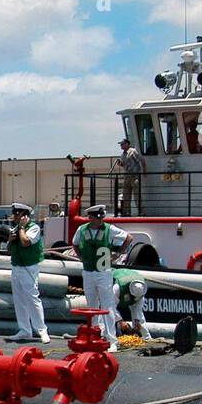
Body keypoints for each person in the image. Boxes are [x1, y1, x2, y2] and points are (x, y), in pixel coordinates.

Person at [71, 203, 130, 350]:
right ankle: (94, 335)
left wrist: (118, 253)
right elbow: (75, 244)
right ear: (90, 218)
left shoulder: (109, 229)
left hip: (103, 272)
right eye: (97, 218)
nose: (100, 220)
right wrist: (81, 257)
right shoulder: (82, 230)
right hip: (88, 271)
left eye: (101, 217)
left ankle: (112, 340)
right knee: (91, 305)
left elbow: (128, 237)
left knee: (107, 305)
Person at [5, 202, 48, 344]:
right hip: (16, 267)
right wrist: (10, 241)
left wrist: (22, 228)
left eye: (17, 213)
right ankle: (24, 329)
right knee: (19, 300)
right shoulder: (16, 229)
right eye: (14, 213)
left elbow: (25, 242)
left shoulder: (33, 228)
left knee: (33, 298)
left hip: (29, 268)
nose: (15, 216)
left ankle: (41, 330)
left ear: (24, 215)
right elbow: (9, 250)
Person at [112, 267, 148, 337]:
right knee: (107, 315)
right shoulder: (117, 288)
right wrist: (120, 320)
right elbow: (110, 306)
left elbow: (137, 309)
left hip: (128, 277)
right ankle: (107, 337)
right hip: (111, 282)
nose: (134, 298)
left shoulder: (141, 288)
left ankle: (146, 337)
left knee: (140, 318)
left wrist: (137, 321)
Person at [114, 137, 144, 215]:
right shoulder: (123, 154)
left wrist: (144, 171)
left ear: (127, 144)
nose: (121, 146)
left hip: (134, 176)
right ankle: (126, 212)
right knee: (126, 195)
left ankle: (141, 212)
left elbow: (141, 160)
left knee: (137, 195)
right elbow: (124, 164)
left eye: (122, 144)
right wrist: (120, 163)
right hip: (127, 176)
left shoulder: (133, 151)